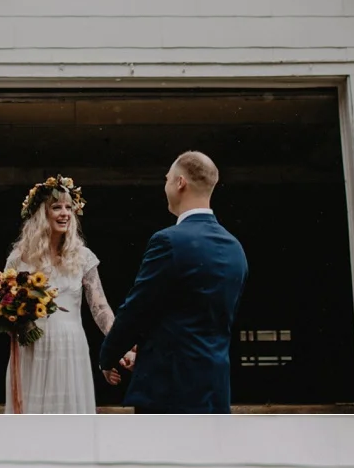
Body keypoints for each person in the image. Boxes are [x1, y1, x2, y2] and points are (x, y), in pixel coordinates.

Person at [97, 153, 247, 415]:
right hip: (215, 388)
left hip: (169, 389)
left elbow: (138, 309)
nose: (164, 186)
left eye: (166, 179)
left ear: (180, 183)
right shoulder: (235, 248)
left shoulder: (169, 242)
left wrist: (108, 356)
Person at [2, 176, 125, 414]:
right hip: (32, 347)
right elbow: (6, 305)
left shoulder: (83, 256)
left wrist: (121, 343)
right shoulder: (19, 258)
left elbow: (100, 308)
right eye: (56, 207)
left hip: (70, 347)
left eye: (69, 208)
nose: (65, 213)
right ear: (41, 213)